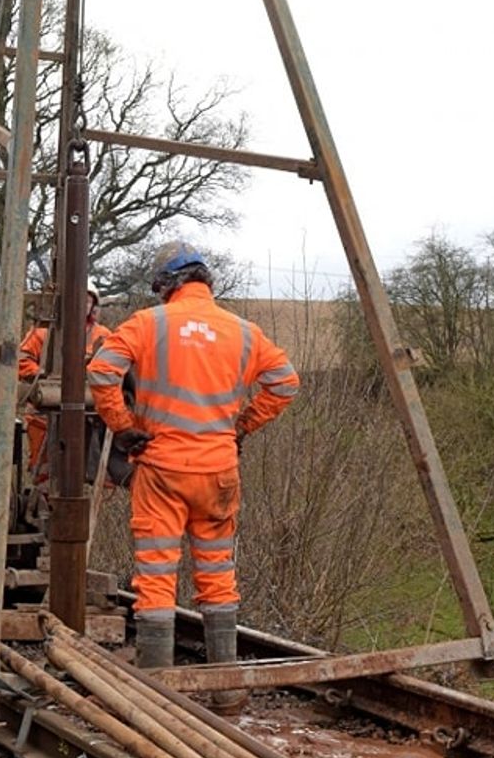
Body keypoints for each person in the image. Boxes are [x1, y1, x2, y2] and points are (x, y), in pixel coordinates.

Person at [86, 243, 299, 691]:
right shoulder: (244, 332)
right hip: (219, 472)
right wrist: (241, 427)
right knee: (218, 575)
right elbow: (285, 383)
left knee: (157, 575)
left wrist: (122, 427)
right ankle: (225, 693)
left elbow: (103, 372)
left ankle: (160, 691)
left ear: (165, 286)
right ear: (207, 282)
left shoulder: (146, 323)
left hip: (161, 470)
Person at [19, 279, 107, 483]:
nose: (82, 304)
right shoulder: (42, 333)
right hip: (44, 415)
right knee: (45, 472)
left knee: (80, 471)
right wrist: (41, 376)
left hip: (87, 414)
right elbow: (21, 359)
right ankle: (42, 501)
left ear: (93, 305)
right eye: (78, 300)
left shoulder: (103, 336)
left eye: (87, 300)